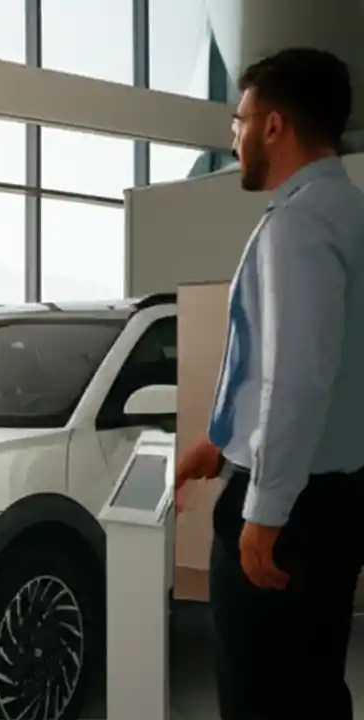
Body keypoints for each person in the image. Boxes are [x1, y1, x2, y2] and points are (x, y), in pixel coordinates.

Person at [175, 48, 364, 719]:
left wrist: (266, 511)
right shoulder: (350, 212)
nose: (235, 138)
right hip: (338, 497)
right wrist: (220, 441)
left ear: (274, 126)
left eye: (240, 121)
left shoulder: (298, 225)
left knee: (261, 696)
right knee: (313, 687)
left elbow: (297, 375)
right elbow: (334, 370)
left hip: (293, 506)